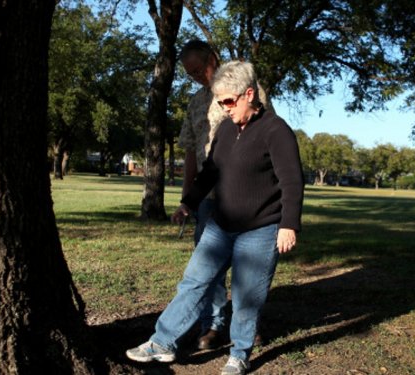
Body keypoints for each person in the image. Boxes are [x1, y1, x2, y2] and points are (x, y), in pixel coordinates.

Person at [126, 61, 304, 375]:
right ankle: (161, 342)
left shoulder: (276, 130)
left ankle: (238, 355)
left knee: (248, 295)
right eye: (219, 102)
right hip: (220, 226)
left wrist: (289, 224)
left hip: (261, 229)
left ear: (249, 94)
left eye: (228, 101)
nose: (223, 108)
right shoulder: (225, 128)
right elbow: (210, 172)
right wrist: (188, 204)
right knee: (194, 283)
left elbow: (291, 180)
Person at [178, 40, 273, 350]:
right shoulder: (194, 103)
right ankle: (213, 325)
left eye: (198, 68)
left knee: (250, 266)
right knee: (208, 268)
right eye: (188, 72)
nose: (194, 75)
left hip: (247, 193)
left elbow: (267, 134)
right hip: (208, 196)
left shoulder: (248, 88)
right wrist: (187, 198)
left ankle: (248, 326)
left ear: (213, 59)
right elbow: (192, 153)